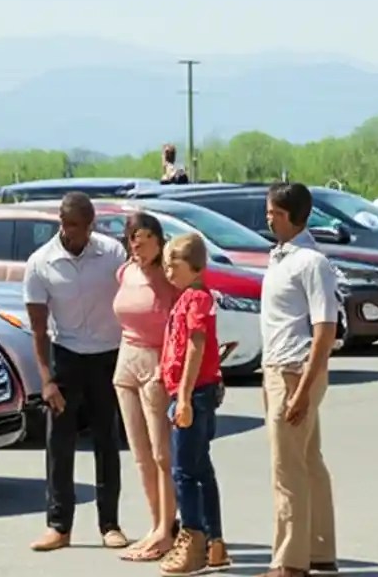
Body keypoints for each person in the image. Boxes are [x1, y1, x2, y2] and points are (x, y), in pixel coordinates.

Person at [23, 191, 130, 552]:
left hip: (107, 357)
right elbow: (38, 328)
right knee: (59, 444)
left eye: (77, 226)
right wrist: (46, 379)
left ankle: (110, 524)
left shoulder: (113, 254)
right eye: (65, 224)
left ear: (91, 225)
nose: (69, 232)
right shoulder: (41, 262)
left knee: (107, 440)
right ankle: (58, 526)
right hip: (66, 356)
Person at [256, 183, 340, 577]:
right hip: (277, 369)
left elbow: (325, 328)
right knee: (307, 461)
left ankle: (289, 562)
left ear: (289, 216)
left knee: (285, 468)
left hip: (295, 371)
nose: (267, 217)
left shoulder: (311, 262)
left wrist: (303, 389)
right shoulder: (279, 258)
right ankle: (320, 550)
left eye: (272, 212)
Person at [157, 232, 228, 575]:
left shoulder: (197, 299)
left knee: (183, 471)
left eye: (175, 265)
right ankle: (215, 542)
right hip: (196, 390)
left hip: (194, 394)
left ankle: (193, 538)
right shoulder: (188, 297)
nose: (168, 271)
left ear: (196, 268)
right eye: (167, 264)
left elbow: (197, 346)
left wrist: (183, 396)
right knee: (200, 468)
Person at [112, 212, 180, 563]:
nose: (137, 247)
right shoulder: (125, 272)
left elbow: (180, 326)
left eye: (143, 239)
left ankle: (168, 529)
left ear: (158, 239)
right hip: (126, 362)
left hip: (157, 365)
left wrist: (169, 370)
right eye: (132, 241)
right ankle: (156, 523)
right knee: (140, 454)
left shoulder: (169, 277)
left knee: (161, 453)